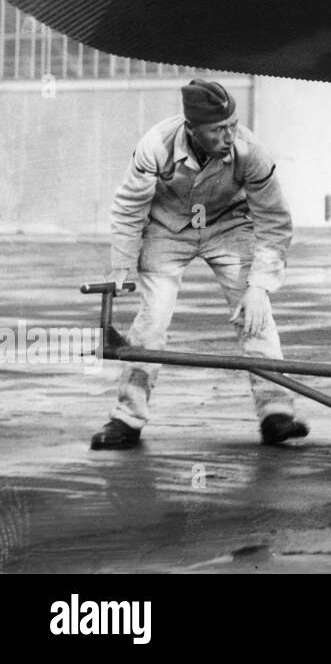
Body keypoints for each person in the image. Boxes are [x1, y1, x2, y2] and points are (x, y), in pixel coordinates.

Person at [90, 78, 309, 449]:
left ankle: (276, 414)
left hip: (227, 225)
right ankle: (126, 418)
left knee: (256, 314)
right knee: (152, 320)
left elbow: (275, 221)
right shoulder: (156, 145)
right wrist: (121, 265)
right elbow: (129, 207)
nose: (228, 135)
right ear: (191, 128)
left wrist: (258, 287)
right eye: (217, 129)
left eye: (232, 125)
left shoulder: (250, 150)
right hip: (167, 228)